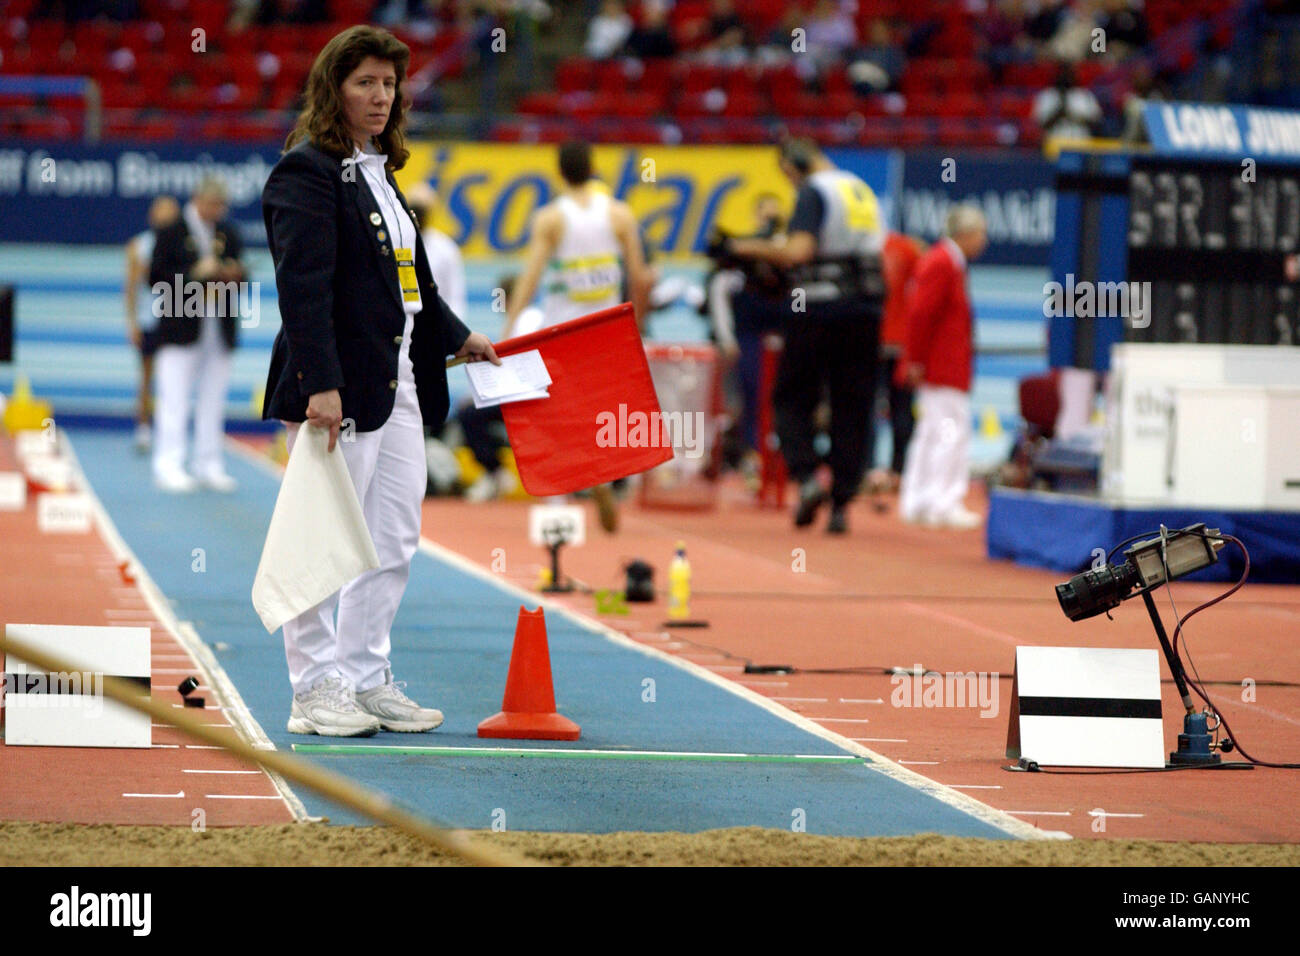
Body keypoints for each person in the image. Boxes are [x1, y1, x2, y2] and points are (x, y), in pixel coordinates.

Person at [259, 24, 499, 737]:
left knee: (393, 536)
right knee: (323, 534)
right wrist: (320, 383)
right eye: (364, 82)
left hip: (400, 378)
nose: (380, 96)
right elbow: (302, 288)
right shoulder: (306, 172)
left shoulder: (382, 175)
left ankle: (365, 676)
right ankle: (312, 688)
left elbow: (412, 282)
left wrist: (458, 336)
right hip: (342, 380)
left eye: (389, 84)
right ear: (333, 89)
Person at [723, 138, 886, 534]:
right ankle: (842, 502)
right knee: (852, 405)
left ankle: (808, 478)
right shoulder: (860, 189)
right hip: (865, 310)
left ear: (793, 164)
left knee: (791, 397)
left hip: (818, 308)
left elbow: (799, 251)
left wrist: (745, 247)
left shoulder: (814, 191)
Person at [504, 139, 651, 532]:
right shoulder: (620, 214)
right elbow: (639, 278)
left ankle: (562, 499)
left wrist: (509, 328)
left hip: (562, 332)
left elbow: (530, 277)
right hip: (605, 332)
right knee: (601, 414)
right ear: (593, 168)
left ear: (559, 172)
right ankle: (605, 477)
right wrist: (637, 323)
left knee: (558, 417)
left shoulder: (551, 218)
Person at [149, 178, 246, 493]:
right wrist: (194, 275)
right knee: (174, 399)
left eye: (221, 206)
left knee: (213, 400)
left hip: (218, 327)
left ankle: (209, 463)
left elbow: (242, 272)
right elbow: (155, 278)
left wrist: (233, 274)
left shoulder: (228, 232)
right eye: (212, 204)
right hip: (179, 329)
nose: (217, 211)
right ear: (197, 199)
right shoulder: (171, 231)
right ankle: (168, 463)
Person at [897, 205, 988, 530]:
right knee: (950, 434)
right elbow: (921, 314)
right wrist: (916, 360)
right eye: (981, 233)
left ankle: (918, 500)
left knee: (931, 433)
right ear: (966, 234)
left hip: (939, 364)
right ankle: (943, 502)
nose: (984, 240)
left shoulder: (947, 262)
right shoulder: (943, 262)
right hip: (941, 366)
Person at [866, 230, 926, 495]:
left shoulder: (866, 249)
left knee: (866, 408)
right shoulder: (908, 249)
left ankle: (866, 469)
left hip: (874, 339)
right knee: (901, 408)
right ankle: (899, 471)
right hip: (899, 342)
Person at [124, 194, 179, 454]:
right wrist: (132, 322)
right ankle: (143, 428)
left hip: (176, 320)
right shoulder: (139, 246)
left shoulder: (183, 244)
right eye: (161, 213)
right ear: (152, 217)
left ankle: (170, 430)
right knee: (146, 377)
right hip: (149, 319)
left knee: (174, 378)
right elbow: (131, 287)